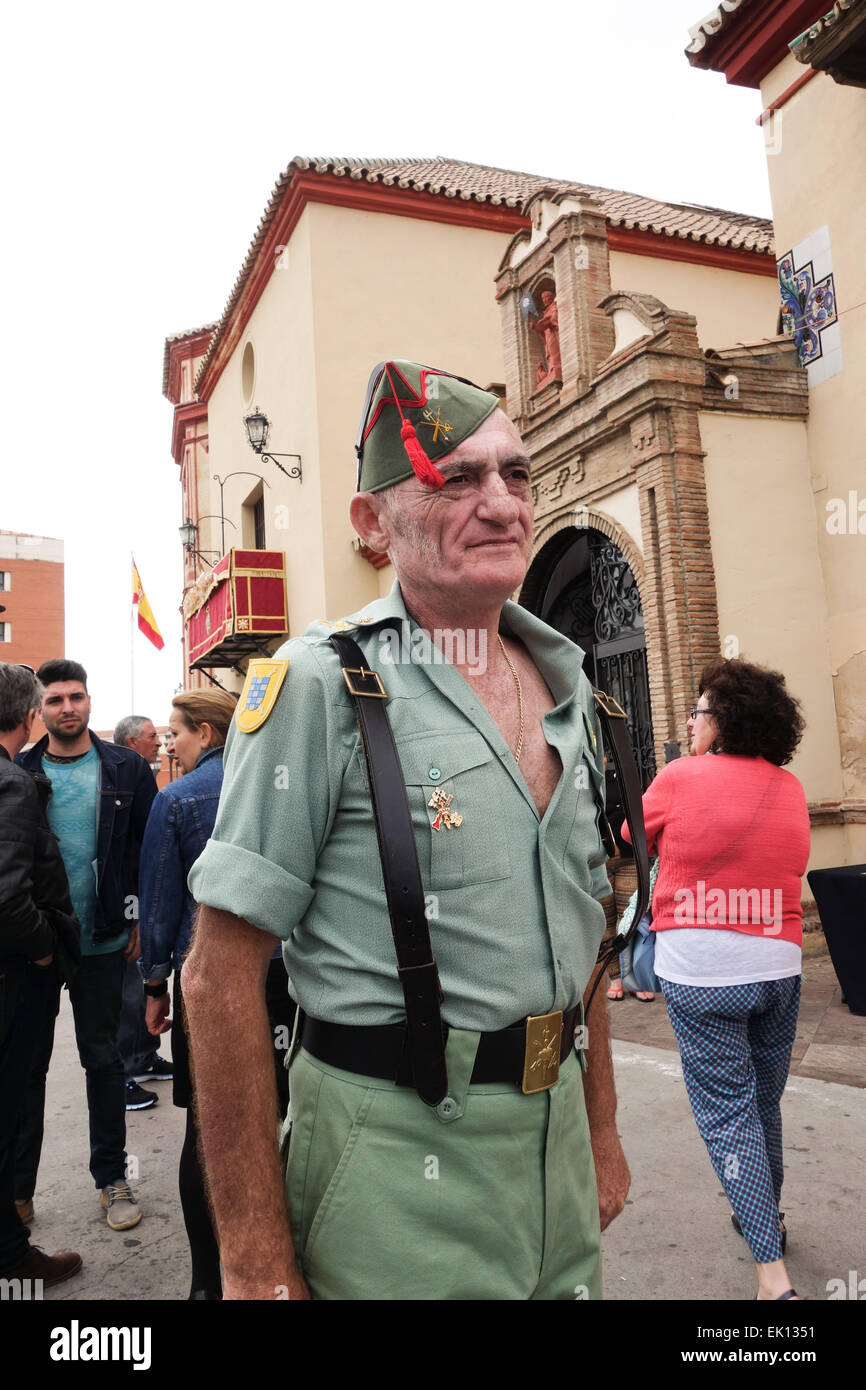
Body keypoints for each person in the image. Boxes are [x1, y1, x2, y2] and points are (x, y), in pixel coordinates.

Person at [183, 358, 629, 1301]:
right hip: (393, 1160)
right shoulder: (320, 686)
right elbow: (219, 974)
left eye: (516, 474)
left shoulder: (573, 687)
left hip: (553, 1147)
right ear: (371, 526)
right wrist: (255, 1265)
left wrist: (601, 1130)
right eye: (455, 478)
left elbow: (584, 923)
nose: (502, 502)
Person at [621, 656, 809, 1300]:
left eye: (699, 710)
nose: (692, 721)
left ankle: (771, 1274)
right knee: (760, 1105)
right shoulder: (790, 789)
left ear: (723, 719)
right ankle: (768, 1218)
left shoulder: (678, 777)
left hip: (704, 972)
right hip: (780, 967)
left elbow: (627, 835)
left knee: (728, 1115)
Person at [16, 660, 157, 1231]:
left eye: (76, 697)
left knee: (103, 1062)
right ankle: (17, 1192)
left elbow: (150, 852)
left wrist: (142, 920)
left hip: (104, 940)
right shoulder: (19, 770)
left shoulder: (127, 767)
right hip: (36, 943)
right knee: (25, 1069)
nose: (67, 707)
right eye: (55, 700)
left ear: (90, 702)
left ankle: (112, 1179)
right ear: (39, 710)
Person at [138, 690, 239, 1300]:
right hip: (289, 978)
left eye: (174, 733)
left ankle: (208, 1281)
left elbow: (158, 900)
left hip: (208, 979)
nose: (169, 744)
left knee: (206, 1130)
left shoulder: (177, 800)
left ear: (204, 731)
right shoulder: (280, 786)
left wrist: (154, 985)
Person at [0, 663, 82, 1286]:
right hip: (14, 975)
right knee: (13, 1101)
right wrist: (44, 952)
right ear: (29, 716)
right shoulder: (12, 784)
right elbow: (8, 896)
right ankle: (9, 1252)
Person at [113, 714, 171, 1103]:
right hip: (124, 900)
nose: (160, 743)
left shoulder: (140, 775)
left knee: (136, 988)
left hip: (139, 897)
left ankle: (142, 1057)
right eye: (152, 737)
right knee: (121, 992)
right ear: (133, 742)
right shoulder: (120, 775)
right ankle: (118, 1075)